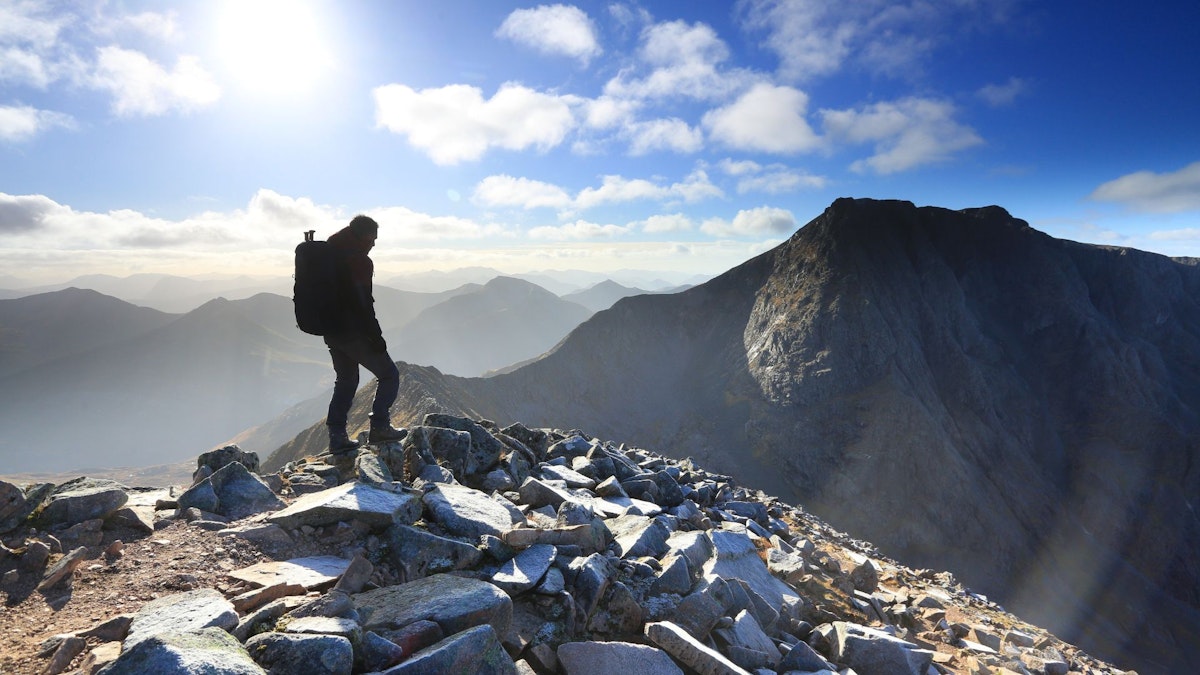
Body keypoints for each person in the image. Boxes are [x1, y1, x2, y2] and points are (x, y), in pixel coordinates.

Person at [323, 214, 406, 453]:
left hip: (331, 331)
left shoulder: (329, 253)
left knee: (346, 380)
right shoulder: (359, 261)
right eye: (372, 239)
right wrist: (376, 337)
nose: (373, 245)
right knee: (389, 375)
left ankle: (337, 437)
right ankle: (380, 427)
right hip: (353, 332)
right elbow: (364, 304)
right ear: (362, 237)